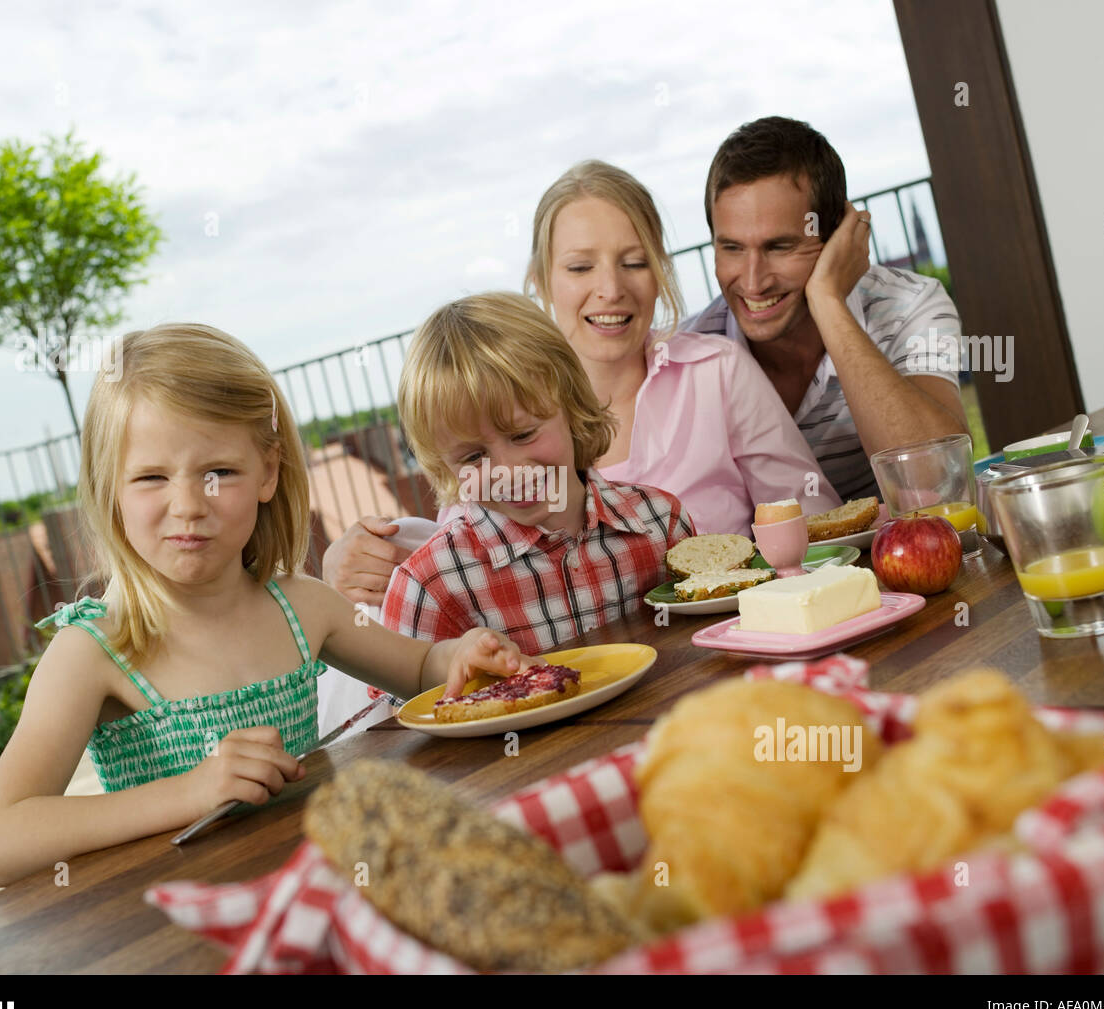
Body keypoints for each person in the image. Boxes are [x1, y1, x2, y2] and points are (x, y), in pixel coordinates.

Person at [0, 323, 538, 887]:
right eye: (151, 477)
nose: (189, 505)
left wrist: (460, 656)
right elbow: (0, 840)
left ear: (268, 471)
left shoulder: (302, 608)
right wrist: (191, 791)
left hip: (313, 889)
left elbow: (418, 669)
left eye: (218, 473)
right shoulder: (95, 649)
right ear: (108, 488)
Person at [323, 160, 839, 609]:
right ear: (542, 279)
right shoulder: (487, 423)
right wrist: (348, 567)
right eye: (580, 266)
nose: (610, 289)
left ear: (660, 271)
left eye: (634, 262)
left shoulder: (717, 371)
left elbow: (813, 527)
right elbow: (463, 561)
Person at [379, 291, 695, 657]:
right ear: (442, 464)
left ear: (571, 403)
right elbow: (405, 712)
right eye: (473, 456)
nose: (508, 472)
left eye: (523, 434)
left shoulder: (661, 524)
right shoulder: (430, 586)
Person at [687, 115, 969, 501]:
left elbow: (939, 479)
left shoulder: (909, 304)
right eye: (732, 248)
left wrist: (828, 301)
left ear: (836, 234)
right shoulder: (688, 354)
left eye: (780, 247)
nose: (753, 282)